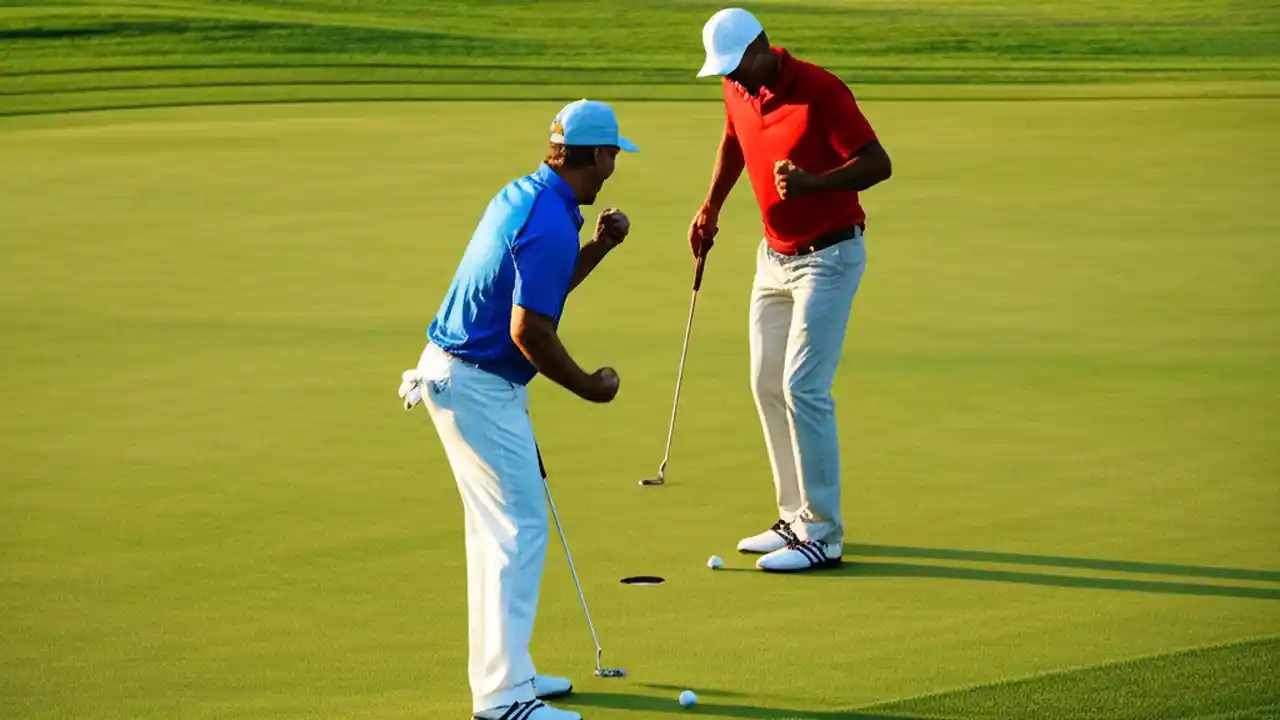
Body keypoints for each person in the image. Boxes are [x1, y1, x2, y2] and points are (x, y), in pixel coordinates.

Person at [399, 99, 636, 720]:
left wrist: (599, 248)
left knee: (497, 534)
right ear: (597, 156)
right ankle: (503, 700)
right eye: (613, 153)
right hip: (477, 383)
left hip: (457, 376)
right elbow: (529, 329)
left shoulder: (529, 195)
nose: (616, 163)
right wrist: (590, 386)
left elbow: (540, 291)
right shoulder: (549, 220)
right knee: (518, 533)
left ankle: (509, 674)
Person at [690, 8, 893, 573]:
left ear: (762, 48)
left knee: (803, 387)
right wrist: (710, 208)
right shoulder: (737, 87)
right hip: (772, 256)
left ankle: (824, 534)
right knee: (764, 382)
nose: (732, 79)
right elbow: (733, 140)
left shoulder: (820, 90)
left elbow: (879, 164)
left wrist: (812, 185)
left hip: (829, 257)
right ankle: (795, 517)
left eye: (737, 66)